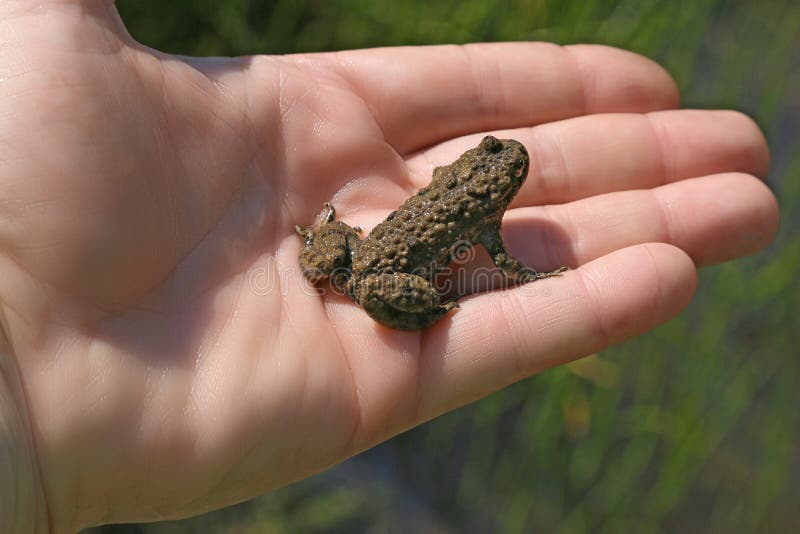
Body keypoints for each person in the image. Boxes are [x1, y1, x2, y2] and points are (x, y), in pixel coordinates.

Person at [0, 1, 778, 532]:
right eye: (495, 166)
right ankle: (414, 304)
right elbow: (494, 256)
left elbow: (482, 234)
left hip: (365, 248)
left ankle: (329, 252)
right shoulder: (478, 214)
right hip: (379, 274)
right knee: (415, 293)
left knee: (345, 255)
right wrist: (466, 294)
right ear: (484, 181)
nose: (500, 169)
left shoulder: (461, 195)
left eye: (499, 169)